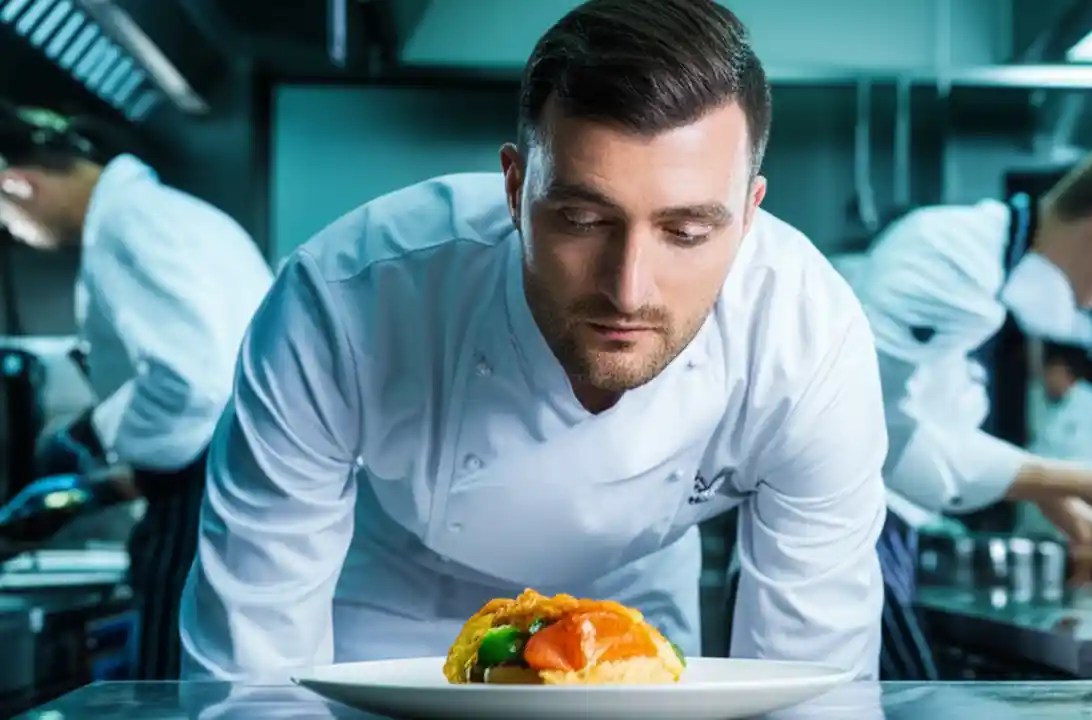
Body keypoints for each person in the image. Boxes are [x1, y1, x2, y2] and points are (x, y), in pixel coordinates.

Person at [180, 0, 889, 681]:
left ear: (748, 215)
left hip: (631, 606)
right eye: (583, 219)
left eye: (686, 232)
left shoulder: (807, 344)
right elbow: (252, 667)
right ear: (515, 189)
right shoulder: (345, 299)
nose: (629, 289)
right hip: (397, 607)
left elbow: (814, 679)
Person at [851, 133, 1092, 679]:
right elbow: (876, 435)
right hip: (843, 544)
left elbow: (936, 424)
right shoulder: (949, 260)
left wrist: (1050, 493)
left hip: (882, 537)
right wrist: (1088, 481)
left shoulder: (989, 271)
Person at [0, 103, 274, 679]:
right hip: (231, 479)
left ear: (17, 182)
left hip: (200, 499)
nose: (10, 229)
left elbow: (191, 381)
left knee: (169, 688)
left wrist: (95, 438)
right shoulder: (172, 215)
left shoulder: (129, 226)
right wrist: (111, 478)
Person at [1018, 342, 1092, 539]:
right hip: (1039, 528)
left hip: (1088, 526)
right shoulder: (1037, 401)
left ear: (1063, 370)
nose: (1044, 378)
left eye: (1048, 371)